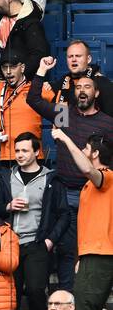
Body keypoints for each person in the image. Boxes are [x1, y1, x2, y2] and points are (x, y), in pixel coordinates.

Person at [29, 57, 113, 292]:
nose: (82, 91)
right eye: (78, 88)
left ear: (96, 93)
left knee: (91, 248)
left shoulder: (107, 123)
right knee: (67, 248)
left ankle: (92, 297)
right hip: (66, 193)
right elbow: (33, 99)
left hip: (96, 195)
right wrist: (42, 70)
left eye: (87, 87)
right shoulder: (65, 115)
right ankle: (71, 297)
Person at [0, 131, 70, 310]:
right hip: (10, 243)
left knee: (35, 291)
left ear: (37, 152)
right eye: (17, 150)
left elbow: (64, 214)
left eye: (25, 150)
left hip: (37, 243)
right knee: (12, 295)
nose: (19, 155)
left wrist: (50, 241)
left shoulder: (50, 179)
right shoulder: (5, 177)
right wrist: (8, 206)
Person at [51, 127, 113, 310]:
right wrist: (80, 257)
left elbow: (88, 169)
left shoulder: (107, 176)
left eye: (87, 148)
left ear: (95, 153)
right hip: (92, 254)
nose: (84, 151)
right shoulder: (94, 184)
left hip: (101, 253)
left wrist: (66, 138)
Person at [0, 56, 49, 179]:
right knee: (7, 197)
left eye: (13, 67)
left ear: (22, 67)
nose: (8, 71)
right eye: (4, 68)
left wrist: (62, 130)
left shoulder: (37, 89)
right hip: (5, 156)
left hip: (32, 156)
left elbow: (62, 106)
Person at [50, 39, 113, 116]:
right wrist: (42, 71)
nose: (73, 59)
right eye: (70, 56)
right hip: (64, 127)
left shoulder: (102, 83)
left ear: (88, 59)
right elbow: (36, 100)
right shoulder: (63, 82)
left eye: (78, 56)